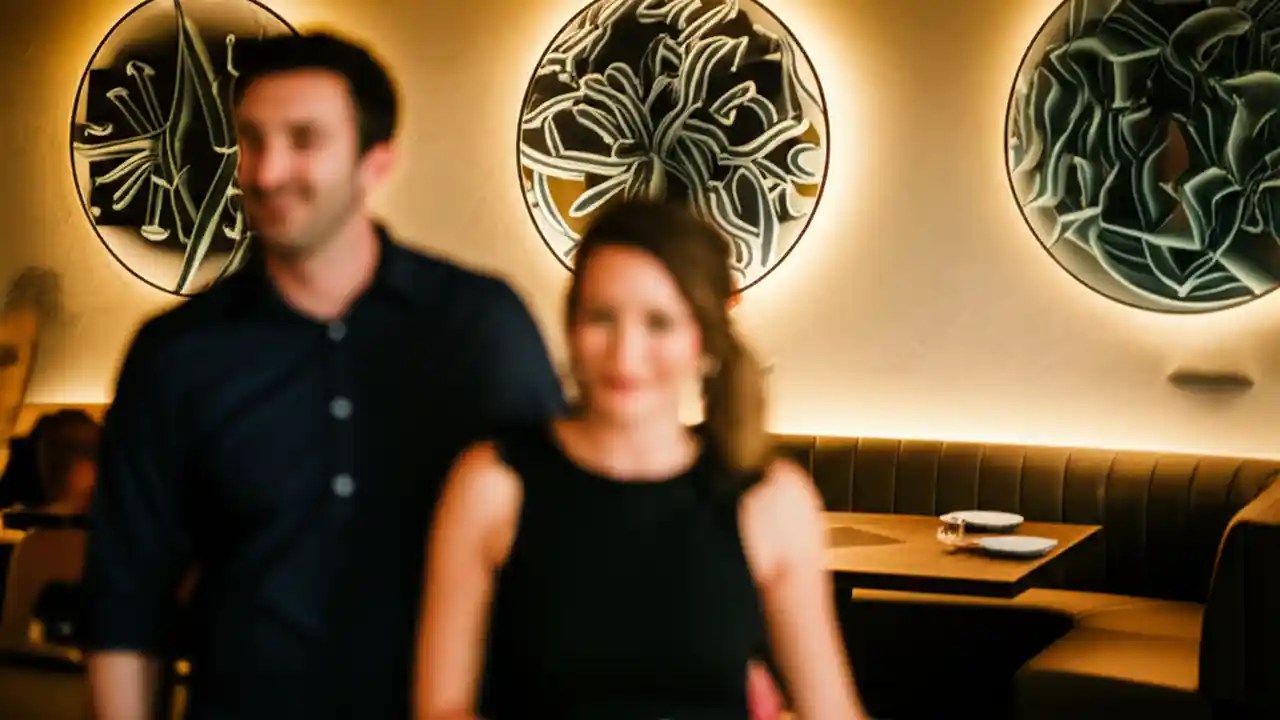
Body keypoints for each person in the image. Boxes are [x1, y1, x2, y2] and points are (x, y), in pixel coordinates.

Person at [82, 33, 564, 720]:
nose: (268, 170)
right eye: (251, 140)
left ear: (376, 161)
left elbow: (556, 550)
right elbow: (127, 595)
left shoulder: (480, 325)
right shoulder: (176, 352)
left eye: (303, 140)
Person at [415, 199, 868, 719]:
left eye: (658, 323)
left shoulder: (771, 501)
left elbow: (830, 710)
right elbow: (441, 710)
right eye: (601, 318)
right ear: (571, 325)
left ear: (704, 340)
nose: (625, 354)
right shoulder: (493, 483)